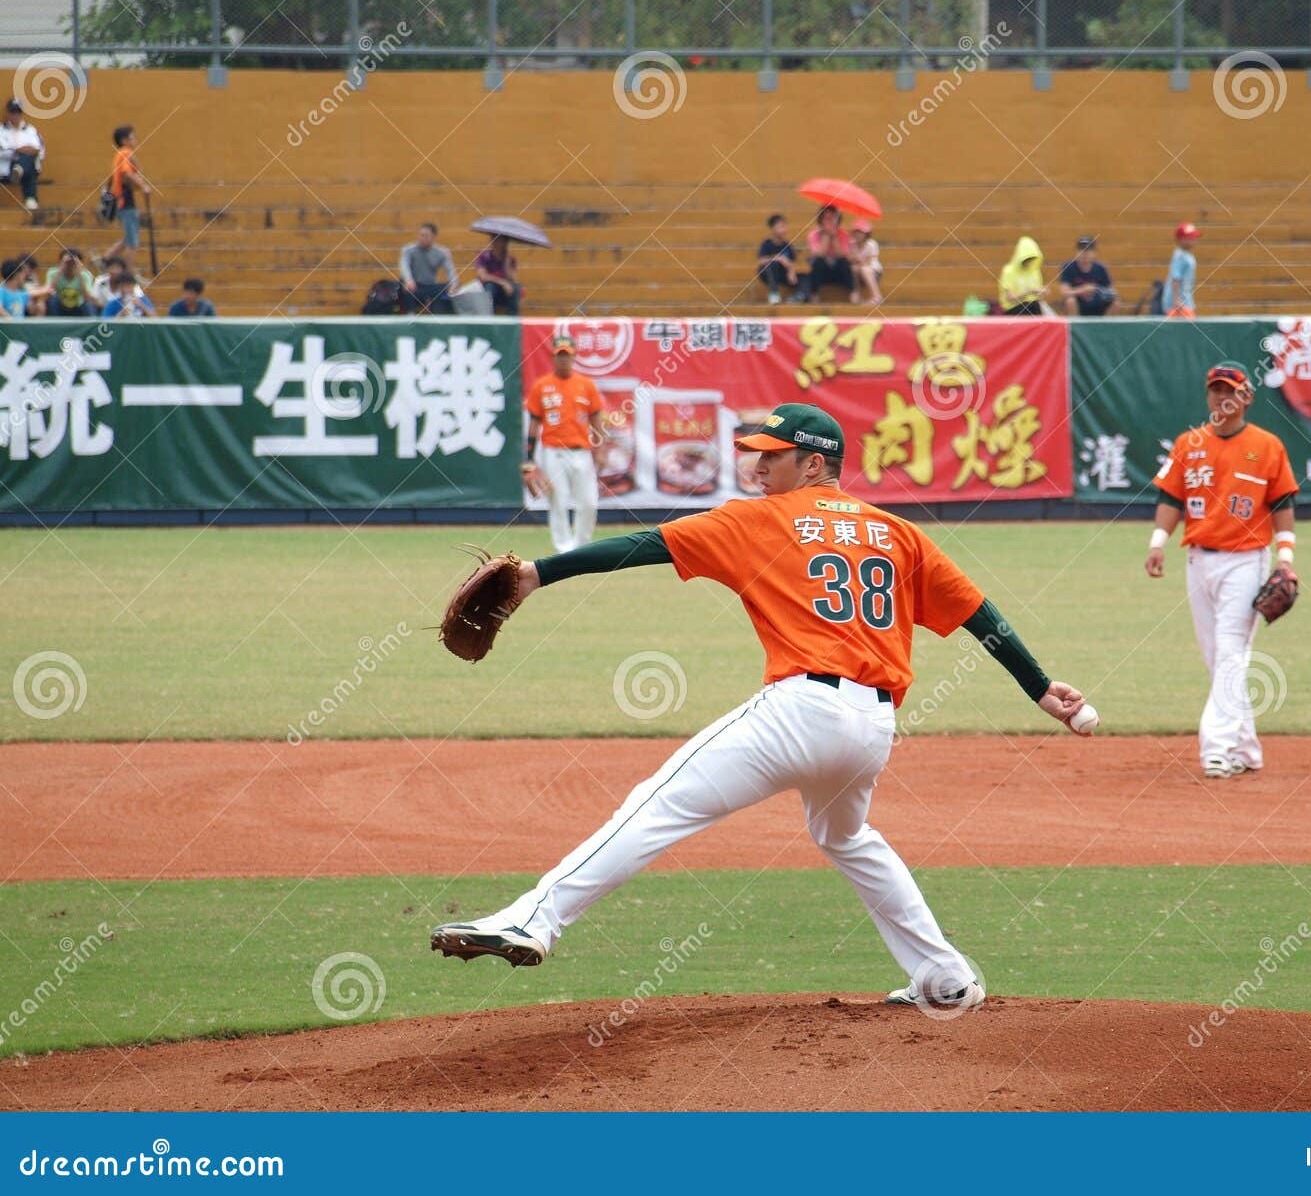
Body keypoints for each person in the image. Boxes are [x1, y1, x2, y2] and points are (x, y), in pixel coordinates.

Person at [432, 401, 1092, 1011]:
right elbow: (982, 616)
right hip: (873, 729)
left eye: (771, 457)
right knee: (846, 835)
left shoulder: (758, 519)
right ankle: (945, 978)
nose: (757, 466)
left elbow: (643, 547)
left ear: (814, 464)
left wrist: (535, 575)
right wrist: (1039, 688)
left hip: (800, 712)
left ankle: (532, 919)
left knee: (657, 804)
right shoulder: (897, 533)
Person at [1145, 363, 1299, 778]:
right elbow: (1171, 498)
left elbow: (1282, 505)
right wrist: (1158, 544)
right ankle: (1247, 750)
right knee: (1218, 659)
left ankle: (1216, 747)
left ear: (1247, 397)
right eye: (1214, 390)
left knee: (1231, 652)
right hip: (1198, 560)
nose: (1220, 397)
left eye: (1229, 390)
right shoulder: (1188, 444)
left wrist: (1285, 558)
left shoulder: (1267, 446)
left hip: (1247, 560)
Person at [523, 335, 603, 553]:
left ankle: (581, 547)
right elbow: (533, 423)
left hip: (581, 450)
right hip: (553, 451)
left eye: (567, 355)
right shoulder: (542, 386)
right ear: (553, 357)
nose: (563, 360)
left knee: (589, 502)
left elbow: (595, 418)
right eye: (560, 355)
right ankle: (563, 549)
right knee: (558, 500)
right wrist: (528, 459)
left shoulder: (586, 385)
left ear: (574, 356)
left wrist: (601, 448)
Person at [103, 125, 151, 267]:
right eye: (132, 137)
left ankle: (106, 258)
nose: (135, 140)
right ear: (124, 140)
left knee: (130, 236)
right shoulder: (125, 152)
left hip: (122, 201)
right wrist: (144, 187)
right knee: (132, 242)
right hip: (124, 201)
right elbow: (126, 174)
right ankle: (129, 273)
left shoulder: (120, 154)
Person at [398, 221, 456, 313]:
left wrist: (453, 285)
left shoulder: (442, 252)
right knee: (402, 284)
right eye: (421, 235)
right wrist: (408, 280)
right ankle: (410, 314)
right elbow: (404, 266)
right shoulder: (408, 250)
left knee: (446, 288)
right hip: (414, 286)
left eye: (425, 236)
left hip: (430, 286)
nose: (422, 238)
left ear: (433, 237)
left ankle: (438, 316)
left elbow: (451, 271)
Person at [804, 205, 856, 303]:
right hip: (822, 272)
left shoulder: (844, 234)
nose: (829, 222)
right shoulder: (814, 235)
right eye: (826, 219)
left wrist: (834, 237)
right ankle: (814, 295)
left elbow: (842, 255)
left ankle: (853, 294)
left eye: (832, 219)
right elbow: (819, 254)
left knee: (844, 262)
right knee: (817, 262)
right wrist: (827, 235)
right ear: (821, 220)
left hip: (839, 272)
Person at [0, 99, 43, 212]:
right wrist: (17, 150)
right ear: (8, 113)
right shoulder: (1, 130)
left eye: (18, 112)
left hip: (27, 165)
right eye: (13, 112)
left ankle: (19, 170)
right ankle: (30, 198)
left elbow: (38, 149)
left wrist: (21, 151)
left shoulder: (30, 130)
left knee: (29, 160)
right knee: (26, 160)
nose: (15, 115)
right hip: (6, 167)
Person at [1058, 236, 1116, 316]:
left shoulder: (1101, 268)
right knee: (1070, 301)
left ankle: (1105, 327)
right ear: (1076, 252)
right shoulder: (1069, 267)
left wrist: (1097, 290)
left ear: (1094, 253)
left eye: (1088, 250)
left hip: (1097, 302)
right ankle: (1076, 327)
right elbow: (1064, 292)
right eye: (1081, 250)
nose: (1084, 253)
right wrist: (1083, 290)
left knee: (1115, 302)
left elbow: (1111, 292)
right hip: (1078, 302)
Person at [998, 236, 1053, 315]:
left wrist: (1042, 292)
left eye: (1032, 259)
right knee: (1033, 306)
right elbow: (1010, 298)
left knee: (1038, 306)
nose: (1029, 262)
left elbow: (1038, 297)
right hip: (1013, 308)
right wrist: (1029, 291)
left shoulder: (1035, 271)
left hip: (1032, 306)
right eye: (1027, 259)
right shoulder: (1008, 271)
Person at [756, 213, 800, 305]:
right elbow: (761, 261)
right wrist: (778, 258)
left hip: (783, 274)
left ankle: (799, 295)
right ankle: (774, 293)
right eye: (780, 226)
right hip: (769, 274)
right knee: (772, 264)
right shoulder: (766, 244)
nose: (784, 229)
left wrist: (791, 271)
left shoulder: (787, 245)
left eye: (784, 226)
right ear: (772, 229)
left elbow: (793, 262)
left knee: (805, 277)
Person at [475, 234, 520, 316]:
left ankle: (513, 320)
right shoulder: (484, 257)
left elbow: (513, 279)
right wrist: (502, 282)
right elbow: (483, 276)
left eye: (501, 241)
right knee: (490, 286)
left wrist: (507, 263)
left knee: (515, 287)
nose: (496, 243)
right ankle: (486, 318)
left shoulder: (510, 259)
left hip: (505, 293)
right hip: (489, 291)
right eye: (495, 240)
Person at [45, 248, 98, 316]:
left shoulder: (85, 275)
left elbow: (87, 297)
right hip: (59, 307)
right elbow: (48, 292)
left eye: (73, 263)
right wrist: (61, 270)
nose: (70, 266)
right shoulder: (53, 273)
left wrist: (79, 274)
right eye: (67, 263)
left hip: (78, 307)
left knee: (89, 304)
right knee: (52, 300)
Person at [1166, 223, 1201, 318]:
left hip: (1186, 299)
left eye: (1194, 238)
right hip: (1180, 304)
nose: (1193, 240)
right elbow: (1175, 279)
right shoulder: (1180, 256)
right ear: (1180, 239)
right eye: (1189, 238)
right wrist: (1177, 301)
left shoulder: (1186, 255)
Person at [849, 219, 883, 307]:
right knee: (854, 268)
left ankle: (876, 296)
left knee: (864, 269)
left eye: (861, 232)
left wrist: (856, 255)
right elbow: (850, 260)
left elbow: (867, 262)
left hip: (873, 272)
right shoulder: (852, 244)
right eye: (856, 232)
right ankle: (857, 293)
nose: (858, 235)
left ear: (866, 234)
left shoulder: (871, 244)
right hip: (859, 272)